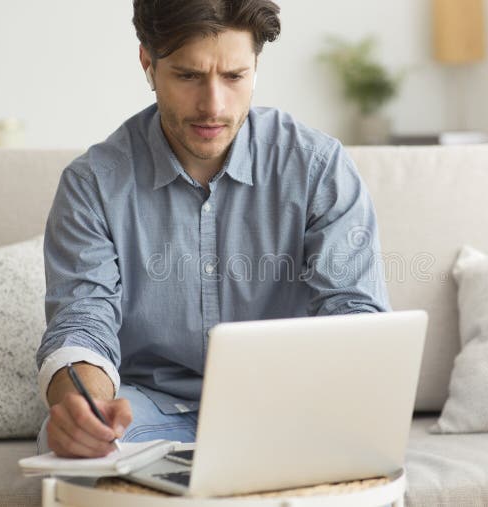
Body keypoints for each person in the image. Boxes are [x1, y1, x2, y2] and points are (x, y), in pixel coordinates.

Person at [36, 0, 389, 458]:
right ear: (148, 62)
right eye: (187, 76)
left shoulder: (318, 168)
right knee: (71, 449)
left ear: (256, 67)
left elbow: (354, 312)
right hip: (147, 409)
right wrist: (86, 410)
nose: (213, 106)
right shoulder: (94, 184)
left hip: (285, 408)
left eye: (234, 77)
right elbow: (83, 322)